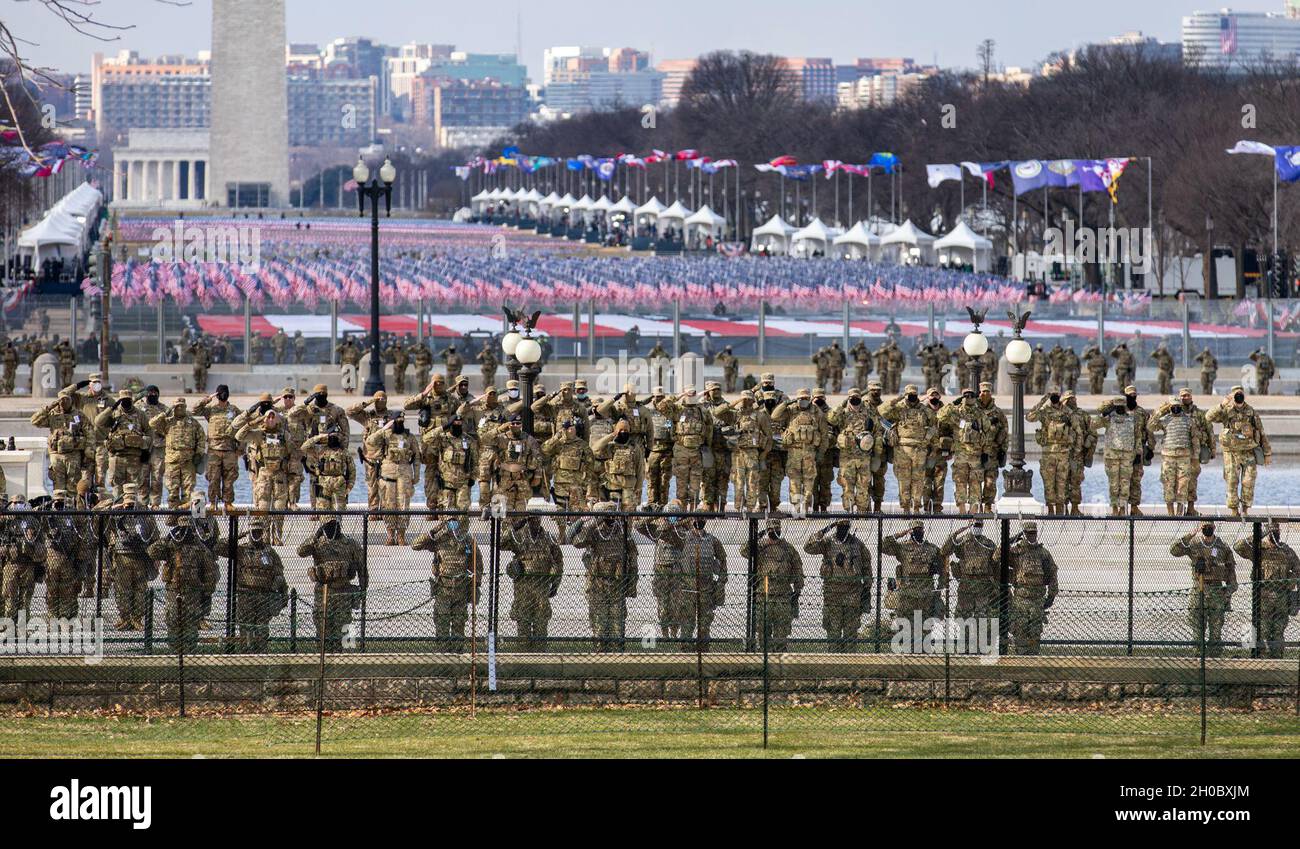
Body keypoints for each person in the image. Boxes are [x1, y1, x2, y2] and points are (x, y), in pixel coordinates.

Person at [567, 504, 638, 652]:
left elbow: (632, 554)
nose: (611, 518)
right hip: (597, 583)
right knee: (599, 621)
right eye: (607, 515)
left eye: (613, 515)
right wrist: (594, 523)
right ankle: (600, 653)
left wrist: (632, 582)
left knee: (617, 621)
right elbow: (576, 541)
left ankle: (617, 653)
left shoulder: (622, 530)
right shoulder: (594, 531)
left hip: (617, 583)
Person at [148, 516, 221, 653]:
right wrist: (169, 536)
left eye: (187, 529)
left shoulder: (199, 547)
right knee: (173, 622)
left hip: (193, 593)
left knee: (190, 625)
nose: (185, 532)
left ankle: (190, 654)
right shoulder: (171, 545)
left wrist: (207, 593)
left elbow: (209, 572)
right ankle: (175, 654)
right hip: (173, 592)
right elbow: (152, 551)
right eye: (182, 529)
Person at [1233, 520, 1300, 658]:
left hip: (1281, 598)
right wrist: (1258, 536)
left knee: (1278, 630)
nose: (1276, 533)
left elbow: (1298, 570)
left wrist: (1294, 590)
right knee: (1262, 629)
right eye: (1272, 531)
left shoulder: (1286, 551)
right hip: (1262, 597)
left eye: (1277, 530)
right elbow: (1238, 547)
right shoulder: (1259, 550)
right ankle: (1262, 659)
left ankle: (1277, 659)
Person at [412, 518, 481, 651]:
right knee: (442, 622)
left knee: (459, 623)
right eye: (449, 520)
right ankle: (442, 656)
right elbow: (415, 545)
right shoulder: (439, 538)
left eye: (455, 520)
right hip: (443, 588)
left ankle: (457, 656)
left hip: (461, 588)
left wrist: (476, 583)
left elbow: (477, 561)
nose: (452, 524)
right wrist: (433, 531)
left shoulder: (466, 539)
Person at [297, 518, 365, 651]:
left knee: (345, 629)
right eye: (327, 525)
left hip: (344, 593)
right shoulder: (318, 543)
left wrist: (363, 591)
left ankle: (346, 660)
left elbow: (362, 569)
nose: (331, 527)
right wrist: (316, 535)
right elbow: (301, 552)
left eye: (334, 524)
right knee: (323, 629)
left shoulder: (350, 544)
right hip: (323, 593)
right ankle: (323, 660)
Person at [805, 519, 871, 652]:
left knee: (850, 632)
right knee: (833, 631)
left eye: (845, 526)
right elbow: (808, 547)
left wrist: (867, 588)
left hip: (853, 594)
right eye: (839, 526)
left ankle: (850, 665)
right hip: (832, 594)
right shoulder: (828, 542)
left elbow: (867, 565)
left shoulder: (857, 544)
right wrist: (826, 529)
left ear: (849, 527)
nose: (842, 529)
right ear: (836, 527)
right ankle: (833, 663)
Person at [1171, 522, 1236, 658]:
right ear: (1200, 527)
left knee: (1216, 630)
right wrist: (1190, 535)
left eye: (1209, 526)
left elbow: (1231, 572)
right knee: (1197, 628)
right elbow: (1174, 550)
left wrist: (1228, 593)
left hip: (1216, 591)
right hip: (1198, 589)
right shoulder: (1194, 544)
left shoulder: (1222, 546)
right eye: (1204, 525)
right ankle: (1198, 658)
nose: (1207, 528)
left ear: (1214, 527)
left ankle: (1215, 658)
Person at [500, 516, 563, 651]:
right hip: (523, 587)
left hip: (542, 587)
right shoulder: (519, 537)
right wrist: (515, 527)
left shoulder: (548, 538)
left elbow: (558, 560)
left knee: (541, 622)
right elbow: (499, 543)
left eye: (538, 518)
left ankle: (540, 657)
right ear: (528, 520)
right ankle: (523, 657)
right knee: (523, 621)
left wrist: (556, 583)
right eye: (532, 518)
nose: (536, 521)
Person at [1206, 386, 1270, 516]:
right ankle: (1234, 511)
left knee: (1248, 481)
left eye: (1240, 393)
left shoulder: (1251, 412)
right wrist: (1222, 404)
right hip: (1231, 452)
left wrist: (1267, 453)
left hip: (1248, 451)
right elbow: (1208, 417)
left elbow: (1261, 432)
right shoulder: (1226, 411)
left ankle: (1245, 510)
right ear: (1232, 395)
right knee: (1231, 481)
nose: (1238, 396)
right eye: (1236, 394)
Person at [998, 522, 1058, 656]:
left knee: (1035, 632)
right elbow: (997, 556)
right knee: (1020, 630)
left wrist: (1052, 595)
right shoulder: (1017, 551)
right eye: (1028, 533)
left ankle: (1033, 662)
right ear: (1024, 534)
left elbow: (1052, 572)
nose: (1031, 536)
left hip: (1037, 600)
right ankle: (1021, 662)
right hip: (1020, 599)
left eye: (1033, 533)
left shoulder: (1043, 553)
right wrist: (1011, 540)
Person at [882, 520, 944, 643]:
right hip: (907, 595)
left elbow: (943, 569)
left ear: (924, 530)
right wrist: (901, 534)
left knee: (925, 629)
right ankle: (907, 658)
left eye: (920, 529)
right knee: (906, 629)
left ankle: (922, 656)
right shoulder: (903, 547)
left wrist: (939, 589)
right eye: (915, 530)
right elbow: (883, 546)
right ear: (910, 532)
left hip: (925, 596)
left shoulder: (932, 549)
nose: (918, 532)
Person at [1096, 387, 1154, 516]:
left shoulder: (1139, 413)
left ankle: (1131, 508)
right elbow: (1097, 419)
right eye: (1129, 395)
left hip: (1132, 452)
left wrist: (1148, 448)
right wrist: (1112, 404)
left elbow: (1144, 432)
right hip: (1115, 454)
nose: (1132, 397)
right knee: (1115, 483)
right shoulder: (1114, 413)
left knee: (1132, 482)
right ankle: (1116, 509)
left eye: (1134, 395)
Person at [879, 386, 937, 513]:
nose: (912, 397)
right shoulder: (899, 408)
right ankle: (905, 507)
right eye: (909, 394)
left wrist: (934, 448)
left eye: (914, 394)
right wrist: (898, 398)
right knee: (903, 480)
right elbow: (881, 412)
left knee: (918, 480)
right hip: (902, 450)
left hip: (919, 449)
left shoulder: (924, 410)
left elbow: (933, 428)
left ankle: (916, 507)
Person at [748, 518, 803, 651]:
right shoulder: (761, 547)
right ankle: (764, 662)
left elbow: (798, 568)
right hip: (764, 595)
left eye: (776, 529)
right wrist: (759, 536)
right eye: (770, 530)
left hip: (782, 596)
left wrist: (798, 589)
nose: (774, 532)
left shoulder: (788, 548)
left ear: (780, 529)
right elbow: (744, 550)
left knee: (781, 633)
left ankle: (779, 663)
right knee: (763, 633)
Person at [233, 519, 288, 652]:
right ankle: (245, 656)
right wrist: (239, 536)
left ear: (263, 533)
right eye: (253, 532)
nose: (256, 535)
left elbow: (279, 574)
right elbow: (219, 547)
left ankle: (261, 654)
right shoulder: (241, 550)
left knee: (262, 628)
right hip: (246, 595)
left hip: (264, 596)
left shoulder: (270, 552)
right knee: (246, 628)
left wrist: (282, 594)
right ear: (250, 532)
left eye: (259, 532)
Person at [1150, 393, 1204, 516]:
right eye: (1173, 406)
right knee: (1168, 483)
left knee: (1183, 485)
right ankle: (1170, 514)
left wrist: (1195, 458)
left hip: (1184, 457)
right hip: (1168, 457)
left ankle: (1180, 513)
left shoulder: (1189, 420)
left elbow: (1195, 440)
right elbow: (1150, 426)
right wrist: (1160, 411)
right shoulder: (1165, 420)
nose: (1175, 408)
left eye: (1177, 406)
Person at [828, 387, 879, 513]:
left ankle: (862, 512)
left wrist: (877, 452)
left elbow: (877, 431)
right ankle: (848, 512)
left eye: (857, 398)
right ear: (848, 398)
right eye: (852, 398)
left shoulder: (868, 413)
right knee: (847, 486)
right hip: (847, 456)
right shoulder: (842, 413)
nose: (855, 400)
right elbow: (831, 419)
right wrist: (842, 404)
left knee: (863, 486)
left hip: (864, 457)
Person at [772, 388, 824, 511]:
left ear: (810, 398)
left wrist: (821, 452)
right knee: (794, 482)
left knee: (809, 483)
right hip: (793, 453)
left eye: (806, 398)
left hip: (809, 453)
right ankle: (796, 509)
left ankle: (806, 508)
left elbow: (824, 433)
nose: (803, 401)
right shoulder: (791, 410)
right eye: (801, 398)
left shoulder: (816, 412)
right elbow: (774, 416)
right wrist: (786, 403)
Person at [943, 388, 993, 515]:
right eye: (966, 395)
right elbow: (940, 416)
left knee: (975, 482)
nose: (969, 397)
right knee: (960, 481)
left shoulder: (980, 414)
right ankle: (962, 511)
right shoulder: (956, 412)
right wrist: (954, 403)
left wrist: (986, 452)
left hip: (975, 454)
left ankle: (974, 510)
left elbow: (988, 434)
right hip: (960, 453)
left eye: (972, 395)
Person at [31, 388, 90, 494]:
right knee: (58, 488)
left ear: (71, 400)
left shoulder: (78, 415)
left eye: (67, 400)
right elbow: (34, 421)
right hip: (56, 455)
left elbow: (90, 433)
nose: (65, 402)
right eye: (62, 400)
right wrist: (48, 408)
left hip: (74, 455)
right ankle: (59, 508)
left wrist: (88, 453)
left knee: (73, 487)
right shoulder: (53, 414)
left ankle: (72, 509)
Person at [149, 397, 205, 508]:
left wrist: (199, 453)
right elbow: (152, 423)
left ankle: (186, 519)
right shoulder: (167, 422)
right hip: (172, 461)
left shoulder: (193, 422)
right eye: (177, 406)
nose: (179, 408)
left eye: (182, 406)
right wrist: (166, 412)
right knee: (172, 491)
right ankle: (173, 516)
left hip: (188, 461)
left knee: (188, 491)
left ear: (185, 407)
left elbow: (202, 439)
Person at [193, 386, 242, 512]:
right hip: (214, 450)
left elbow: (243, 425)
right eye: (220, 392)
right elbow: (195, 410)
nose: (223, 394)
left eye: (225, 392)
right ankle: (213, 502)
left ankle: (228, 503)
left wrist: (240, 448)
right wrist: (208, 398)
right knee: (213, 478)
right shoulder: (211, 409)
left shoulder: (234, 410)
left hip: (230, 450)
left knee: (229, 478)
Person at [95, 390, 152, 494]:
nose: (126, 402)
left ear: (131, 400)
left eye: (128, 400)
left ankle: (133, 509)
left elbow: (149, 431)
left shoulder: (140, 414)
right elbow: (98, 422)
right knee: (117, 488)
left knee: (134, 488)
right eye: (123, 400)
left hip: (135, 457)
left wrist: (146, 448)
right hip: (117, 457)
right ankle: (118, 509)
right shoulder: (114, 414)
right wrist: (111, 408)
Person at [941, 520, 999, 621]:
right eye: (975, 525)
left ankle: (980, 636)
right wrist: (956, 534)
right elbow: (945, 551)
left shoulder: (988, 543)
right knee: (963, 618)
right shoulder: (963, 541)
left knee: (982, 618)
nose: (977, 527)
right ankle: (965, 636)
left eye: (979, 525)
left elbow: (996, 561)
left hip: (983, 586)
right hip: (966, 585)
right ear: (970, 525)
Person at [1026, 392, 1074, 515]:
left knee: (1062, 482)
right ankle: (1050, 509)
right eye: (1052, 394)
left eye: (1057, 394)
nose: (1055, 397)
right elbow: (1029, 417)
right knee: (1048, 482)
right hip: (1048, 452)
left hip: (1063, 452)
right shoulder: (1044, 411)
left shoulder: (1067, 412)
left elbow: (1076, 430)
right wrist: (1042, 400)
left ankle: (1059, 509)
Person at [301, 432, 355, 512]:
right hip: (323, 483)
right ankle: (327, 523)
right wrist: (320, 437)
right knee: (323, 511)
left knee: (339, 511)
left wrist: (349, 487)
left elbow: (352, 471)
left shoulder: (344, 452)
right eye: (331, 437)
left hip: (339, 484)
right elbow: (304, 447)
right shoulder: (321, 450)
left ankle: (337, 524)